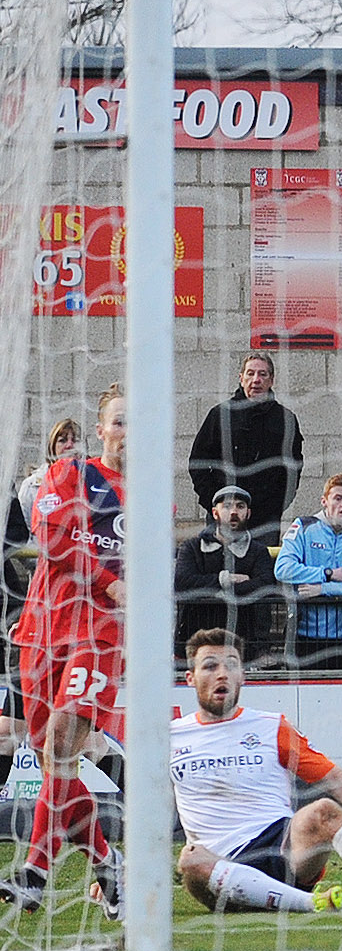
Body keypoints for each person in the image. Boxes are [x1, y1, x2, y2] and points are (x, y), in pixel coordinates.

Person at [168, 629, 342, 914]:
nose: (222, 674)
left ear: (242, 676)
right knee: (191, 860)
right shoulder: (170, 738)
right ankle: (315, 904)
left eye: (231, 665)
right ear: (190, 678)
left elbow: (333, 777)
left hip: (283, 847)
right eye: (210, 666)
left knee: (323, 810)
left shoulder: (271, 727)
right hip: (218, 864)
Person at [0, 386, 126, 917]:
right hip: (42, 630)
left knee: (59, 745)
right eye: (119, 423)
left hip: (100, 637)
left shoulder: (150, 496)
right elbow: (52, 543)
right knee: (58, 764)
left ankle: (34, 871)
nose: (128, 434)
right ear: (101, 430)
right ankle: (104, 857)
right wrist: (109, 580)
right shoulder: (71, 474)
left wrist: (121, 593)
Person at [187, 352, 304, 541]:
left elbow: (293, 469)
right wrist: (214, 502)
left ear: (271, 380)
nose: (256, 380)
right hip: (222, 518)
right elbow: (198, 462)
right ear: (241, 379)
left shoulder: (285, 419)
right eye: (250, 374)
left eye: (262, 374)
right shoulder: (220, 415)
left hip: (265, 521)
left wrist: (276, 507)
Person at [273, 475, 342, 672]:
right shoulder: (303, 526)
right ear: (324, 501)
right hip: (303, 638)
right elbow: (282, 569)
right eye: (337, 498)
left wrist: (322, 588)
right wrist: (328, 574)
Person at [174, 485, 278, 659]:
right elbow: (183, 583)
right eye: (227, 506)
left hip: (243, 645)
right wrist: (226, 580)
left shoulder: (258, 551)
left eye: (240, 506)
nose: (234, 512)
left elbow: (266, 586)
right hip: (194, 643)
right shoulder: (191, 547)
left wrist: (207, 587)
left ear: (248, 513)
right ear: (215, 513)